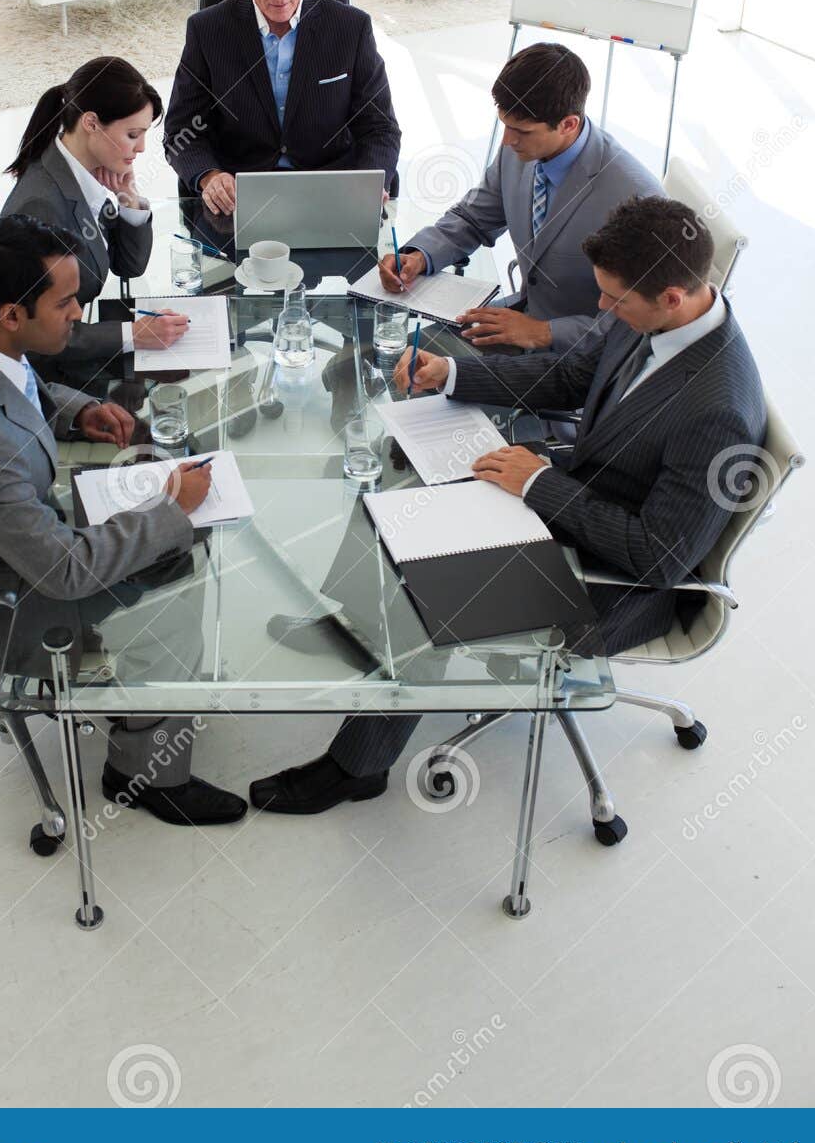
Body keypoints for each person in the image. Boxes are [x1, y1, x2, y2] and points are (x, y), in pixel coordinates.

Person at [250, 196, 766, 815]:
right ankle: (360, 629)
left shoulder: (719, 410)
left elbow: (658, 559)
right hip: (580, 501)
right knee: (399, 490)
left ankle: (355, 768)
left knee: (434, 589)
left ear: (673, 297)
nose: (601, 308)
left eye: (614, 299)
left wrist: (539, 484)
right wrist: (453, 376)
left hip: (616, 583)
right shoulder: (652, 317)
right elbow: (571, 377)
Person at [0, 214, 246, 826]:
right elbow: (65, 570)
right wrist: (171, 510)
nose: (81, 312)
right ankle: (144, 774)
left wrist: (77, 409)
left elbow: (17, 386)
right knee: (177, 578)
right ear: (11, 314)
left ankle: (153, 695)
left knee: (164, 539)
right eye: (66, 303)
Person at [380, 42, 660, 352]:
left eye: (522, 131)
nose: (508, 141)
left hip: (578, 355)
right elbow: (473, 219)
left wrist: (545, 332)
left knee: (420, 374)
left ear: (569, 124)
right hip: (519, 321)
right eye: (505, 125)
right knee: (375, 361)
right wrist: (421, 256)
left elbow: (638, 323)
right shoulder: (520, 150)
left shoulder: (636, 195)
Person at [163, 0, 401, 214]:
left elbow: (380, 127)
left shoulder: (352, 28)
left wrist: (367, 181)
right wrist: (210, 176)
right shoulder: (207, 30)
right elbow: (181, 130)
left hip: (331, 189)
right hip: (240, 195)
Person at [3, 57, 188, 389]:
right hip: (52, 379)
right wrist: (134, 334)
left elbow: (127, 265)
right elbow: (38, 338)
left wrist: (129, 200)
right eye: (133, 134)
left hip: (81, 338)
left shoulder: (80, 173)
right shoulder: (43, 206)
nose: (142, 147)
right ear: (91, 123)